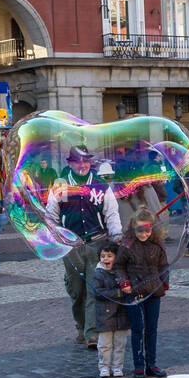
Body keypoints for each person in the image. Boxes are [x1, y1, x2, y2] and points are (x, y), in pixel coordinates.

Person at [46, 145, 123, 347]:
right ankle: (81, 327)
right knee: (76, 290)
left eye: (86, 161)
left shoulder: (100, 185)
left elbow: (111, 213)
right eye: (78, 161)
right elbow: (51, 216)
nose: (83, 165)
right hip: (71, 246)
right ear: (70, 163)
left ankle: (92, 333)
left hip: (97, 243)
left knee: (92, 289)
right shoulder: (60, 186)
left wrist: (116, 235)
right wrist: (56, 236)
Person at [114, 211, 169, 378]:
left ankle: (151, 363)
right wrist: (124, 283)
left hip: (153, 291)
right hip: (134, 291)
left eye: (147, 230)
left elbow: (164, 266)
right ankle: (139, 365)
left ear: (152, 229)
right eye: (139, 230)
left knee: (152, 329)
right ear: (133, 227)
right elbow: (119, 266)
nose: (143, 234)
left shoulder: (158, 245)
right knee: (138, 328)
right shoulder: (127, 245)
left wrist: (164, 283)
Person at [91, 244, 130, 378]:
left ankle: (117, 367)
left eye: (109, 256)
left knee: (120, 344)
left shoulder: (122, 273)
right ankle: (104, 367)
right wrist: (119, 292)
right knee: (105, 345)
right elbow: (98, 293)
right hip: (105, 315)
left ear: (116, 258)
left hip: (122, 314)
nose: (105, 259)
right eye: (103, 256)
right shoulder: (98, 273)